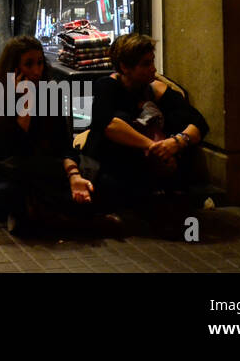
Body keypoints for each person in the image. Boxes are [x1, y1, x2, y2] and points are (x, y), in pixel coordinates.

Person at [0, 36, 119, 236]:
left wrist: (73, 175)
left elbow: (64, 144)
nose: (37, 71)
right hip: (14, 170)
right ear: (15, 69)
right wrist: (25, 106)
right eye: (29, 64)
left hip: (50, 167)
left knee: (106, 183)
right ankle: (77, 220)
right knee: (5, 193)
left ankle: (42, 217)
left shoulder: (50, 92)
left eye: (39, 63)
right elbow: (8, 152)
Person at [82, 33, 210, 236]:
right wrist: (153, 146)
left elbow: (199, 123)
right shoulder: (107, 86)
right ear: (125, 67)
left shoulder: (156, 89)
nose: (153, 69)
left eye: (152, 62)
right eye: (145, 64)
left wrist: (176, 143)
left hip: (149, 166)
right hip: (111, 167)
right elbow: (109, 125)